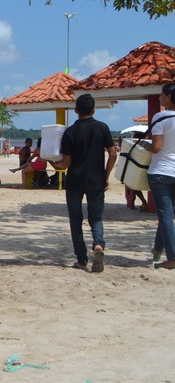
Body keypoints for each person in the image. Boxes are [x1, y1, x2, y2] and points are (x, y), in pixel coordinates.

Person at [49, 94, 118, 273]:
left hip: (74, 182)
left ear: (76, 110)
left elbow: (66, 163)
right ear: (94, 110)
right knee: (96, 218)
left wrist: (53, 163)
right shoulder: (102, 128)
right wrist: (106, 175)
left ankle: (81, 260)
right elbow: (112, 154)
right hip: (96, 180)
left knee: (75, 220)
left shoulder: (70, 132)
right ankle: (98, 244)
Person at [142, 83, 175, 269]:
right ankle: (157, 250)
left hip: (161, 171)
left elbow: (156, 147)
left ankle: (172, 258)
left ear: (169, 97)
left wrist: (146, 145)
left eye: (162, 95)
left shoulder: (161, 117)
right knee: (168, 214)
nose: (160, 97)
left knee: (165, 215)